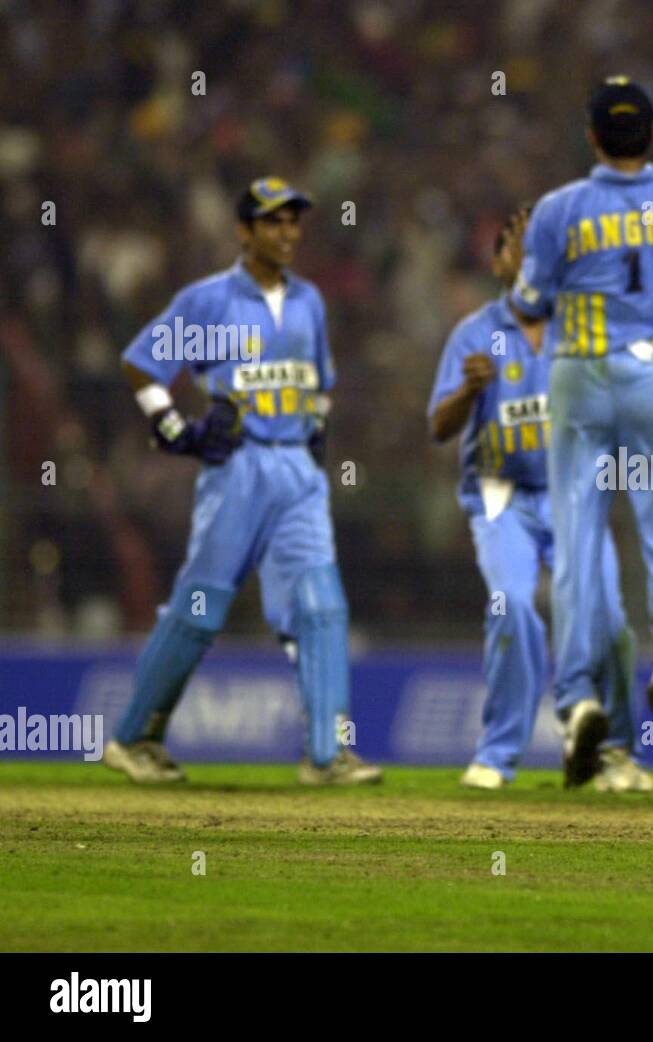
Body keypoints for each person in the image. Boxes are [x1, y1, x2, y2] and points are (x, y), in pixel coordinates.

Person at [105, 177, 382, 786]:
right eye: (273, 222)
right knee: (200, 610)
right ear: (244, 230)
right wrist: (174, 427)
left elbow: (321, 383)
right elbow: (140, 363)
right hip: (238, 468)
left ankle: (326, 753)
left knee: (322, 606)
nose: (287, 232)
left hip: (297, 473)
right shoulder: (209, 300)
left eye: (293, 221)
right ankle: (134, 737)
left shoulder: (310, 300)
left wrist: (316, 431)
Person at [510, 78, 653, 784]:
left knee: (577, 544)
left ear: (593, 136)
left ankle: (577, 703)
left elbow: (530, 299)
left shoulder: (559, 209)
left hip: (578, 380)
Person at [430, 209, 651, 792]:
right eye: (517, 247)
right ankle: (498, 754)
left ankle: (615, 753)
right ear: (499, 260)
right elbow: (438, 426)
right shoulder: (473, 334)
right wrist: (467, 390)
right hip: (501, 498)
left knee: (608, 618)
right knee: (511, 605)